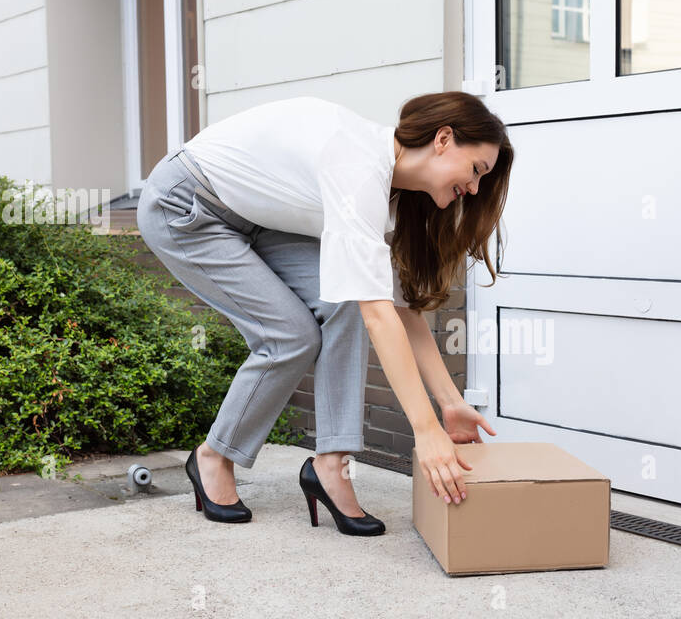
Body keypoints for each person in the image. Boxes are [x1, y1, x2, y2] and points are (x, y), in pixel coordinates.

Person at [135, 92, 512, 535]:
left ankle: (331, 466)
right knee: (290, 336)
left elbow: (400, 309)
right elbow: (379, 317)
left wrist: (450, 404)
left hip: (258, 218)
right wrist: (425, 433)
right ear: (443, 138)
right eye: (476, 171)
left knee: (345, 298)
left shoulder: (392, 193)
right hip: (188, 204)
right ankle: (213, 456)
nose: (474, 189)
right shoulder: (356, 166)